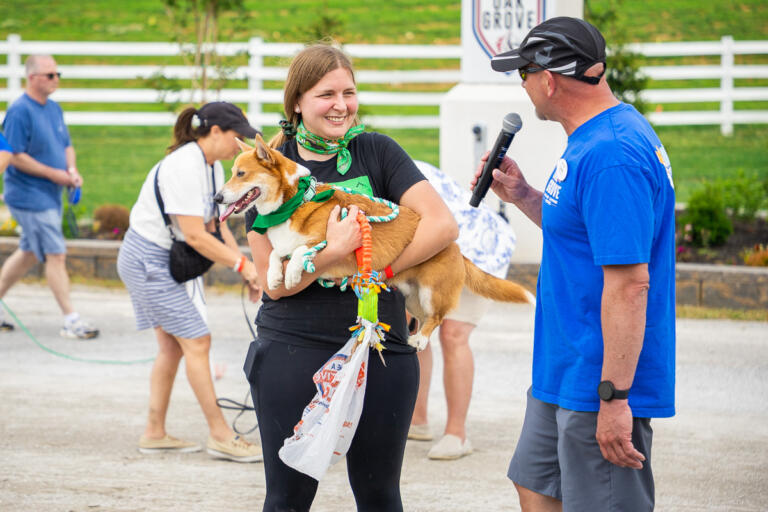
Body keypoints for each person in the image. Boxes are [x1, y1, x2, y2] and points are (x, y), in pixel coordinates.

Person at [243, 44, 458, 511]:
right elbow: (274, 283)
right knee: (287, 498)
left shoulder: (375, 150)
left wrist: (373, 268)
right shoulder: (268, 166)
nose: (341, 105)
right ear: (296, 101)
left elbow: (443, 225)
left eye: (349, 92)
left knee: (380, 496)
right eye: (326, 94)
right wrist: (332, 253)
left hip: (379, 347)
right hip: (293, 346)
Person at [480, 17, 676, 511]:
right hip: (565, 366)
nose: (521, 85)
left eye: (522, 72)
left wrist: (614, 399)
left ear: (548, 78)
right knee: (535, 487)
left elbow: (631, 285)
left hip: (600, 378)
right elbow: (587, 234)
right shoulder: (592, 138)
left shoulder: (613, 154)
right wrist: (522, 194)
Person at [117, 101, 264, 462]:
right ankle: (220, 435)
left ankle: (154, 432)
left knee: (172, 347)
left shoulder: (211, 165)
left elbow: (218, 225)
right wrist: (243, 266)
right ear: (215, 132)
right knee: (197, 341)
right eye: (236, 137)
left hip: (156, 258)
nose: (239, 145)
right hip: (146, 259)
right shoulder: (183, 165)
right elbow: (195, 236)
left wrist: (243, 266)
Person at [407, 160, 517, 460]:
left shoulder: (382, 163)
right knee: (413, 330)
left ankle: (457, 434)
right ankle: (417, 421)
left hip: (475, 245)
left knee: (453, 334)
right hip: (428, 250)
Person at [0, 55, 98, 338]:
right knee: (56, 254)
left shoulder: (53, 109)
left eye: (57, 74)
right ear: (32, 78)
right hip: (28, 195)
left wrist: (71, 170)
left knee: (29, 252)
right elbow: (13, 155)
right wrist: (53, 174)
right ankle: (71, 319)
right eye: (50, 75)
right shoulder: (19, 111)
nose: (56, 79)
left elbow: (66, 144)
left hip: (51, 193)